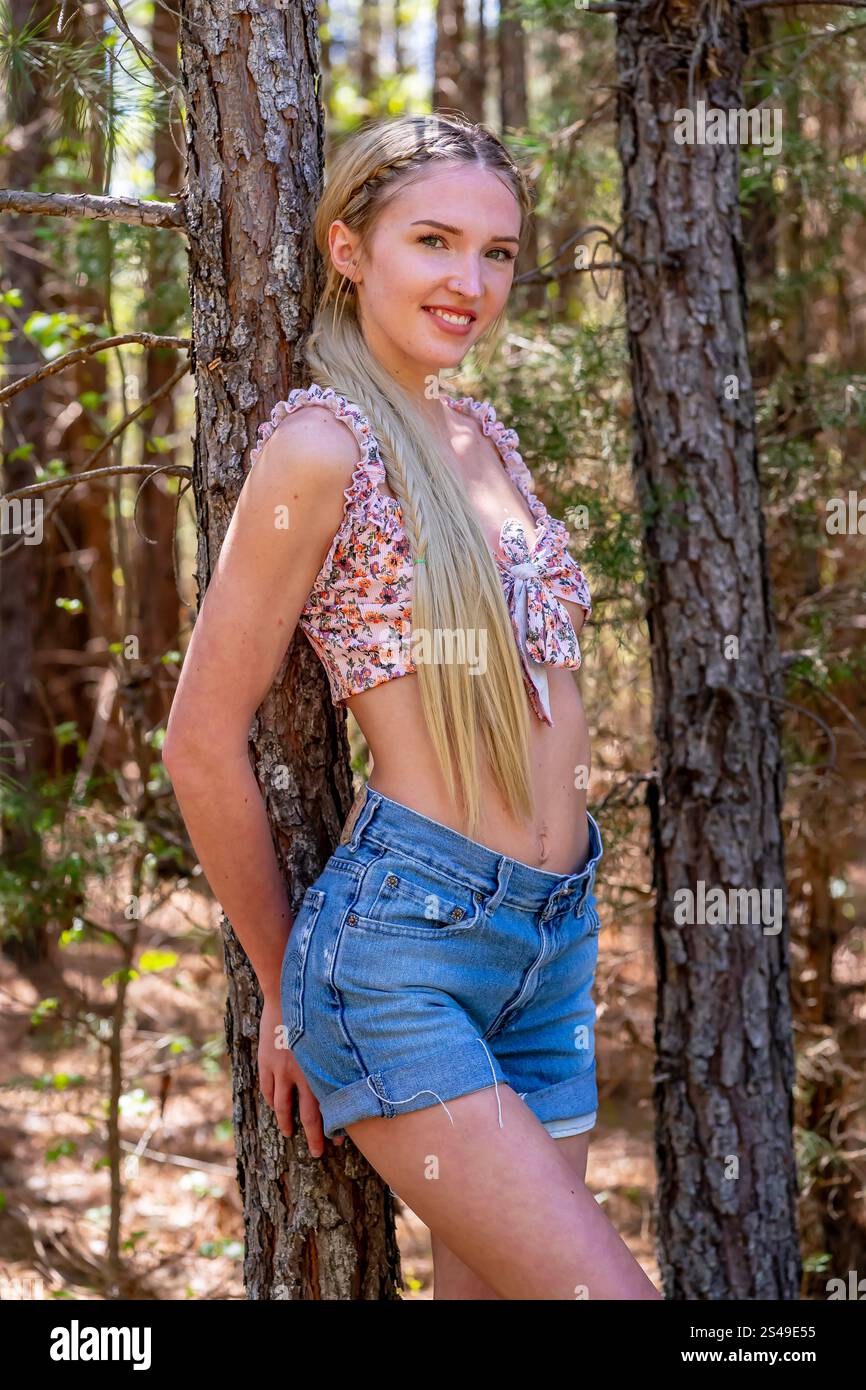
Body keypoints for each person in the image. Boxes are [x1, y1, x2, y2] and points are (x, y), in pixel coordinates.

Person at [163, 113, 661, 1301]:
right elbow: (197, 740)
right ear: (348, 247)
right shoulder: (320, 445)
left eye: (496, 252)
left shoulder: (482, 439)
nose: (469, 281)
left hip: (550, 942)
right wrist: (289, 986)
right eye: (432, 240)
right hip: (402, 958)